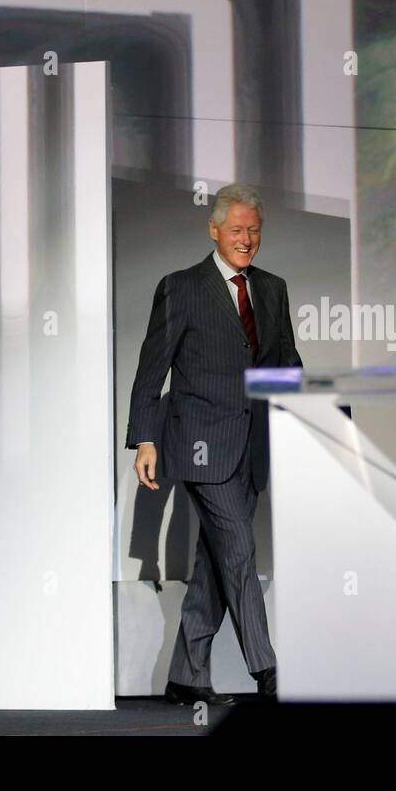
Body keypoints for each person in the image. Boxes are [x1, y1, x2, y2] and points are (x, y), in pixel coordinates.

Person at [126, 183, 302, 705]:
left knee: (214, 565)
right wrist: (144, 440)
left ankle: (187, 676)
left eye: (253, 230)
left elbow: (286, 363)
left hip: (253, 448)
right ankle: (269, 672)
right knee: (241, 554)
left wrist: (308, 416)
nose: (246, 239)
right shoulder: (182, 287)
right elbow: (151, 369)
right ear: (214, 230)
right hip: (202, 446)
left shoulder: (272, 288)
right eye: (236, 230)